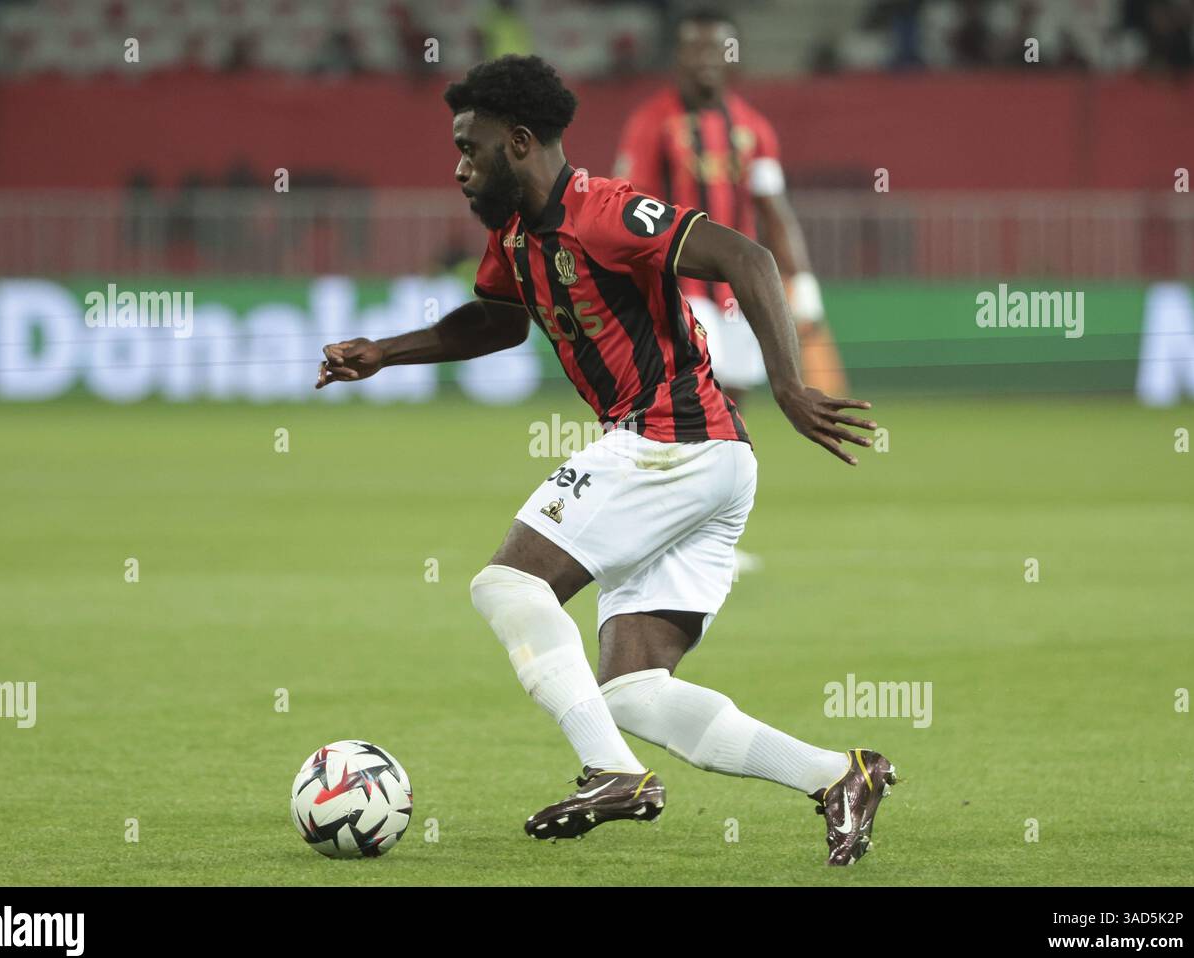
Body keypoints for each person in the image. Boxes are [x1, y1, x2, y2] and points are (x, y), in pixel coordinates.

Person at [317, 55, 895, 865]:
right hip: (713, 463)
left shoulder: (607, 212)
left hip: (674, 441)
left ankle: (611, 773)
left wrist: (790, 387)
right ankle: (840, 775)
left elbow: (748, 258)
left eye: (469, 148)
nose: (457, 168)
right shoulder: (515, 236)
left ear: (519, 142)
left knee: (506, 585)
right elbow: (495, 321)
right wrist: (385, 350)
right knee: (633, 690)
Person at [614, 6, 848, 406]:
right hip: (678, 282)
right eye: (695, 48)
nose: (706, 58)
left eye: (717, 48)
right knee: (697, 389)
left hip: (737, 287)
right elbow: (625, 205)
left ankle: (716, 463)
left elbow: (773, 209)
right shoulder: (652, 123)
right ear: (678, 56)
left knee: (733, 392)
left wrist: (803, 286)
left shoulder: (753, 129)